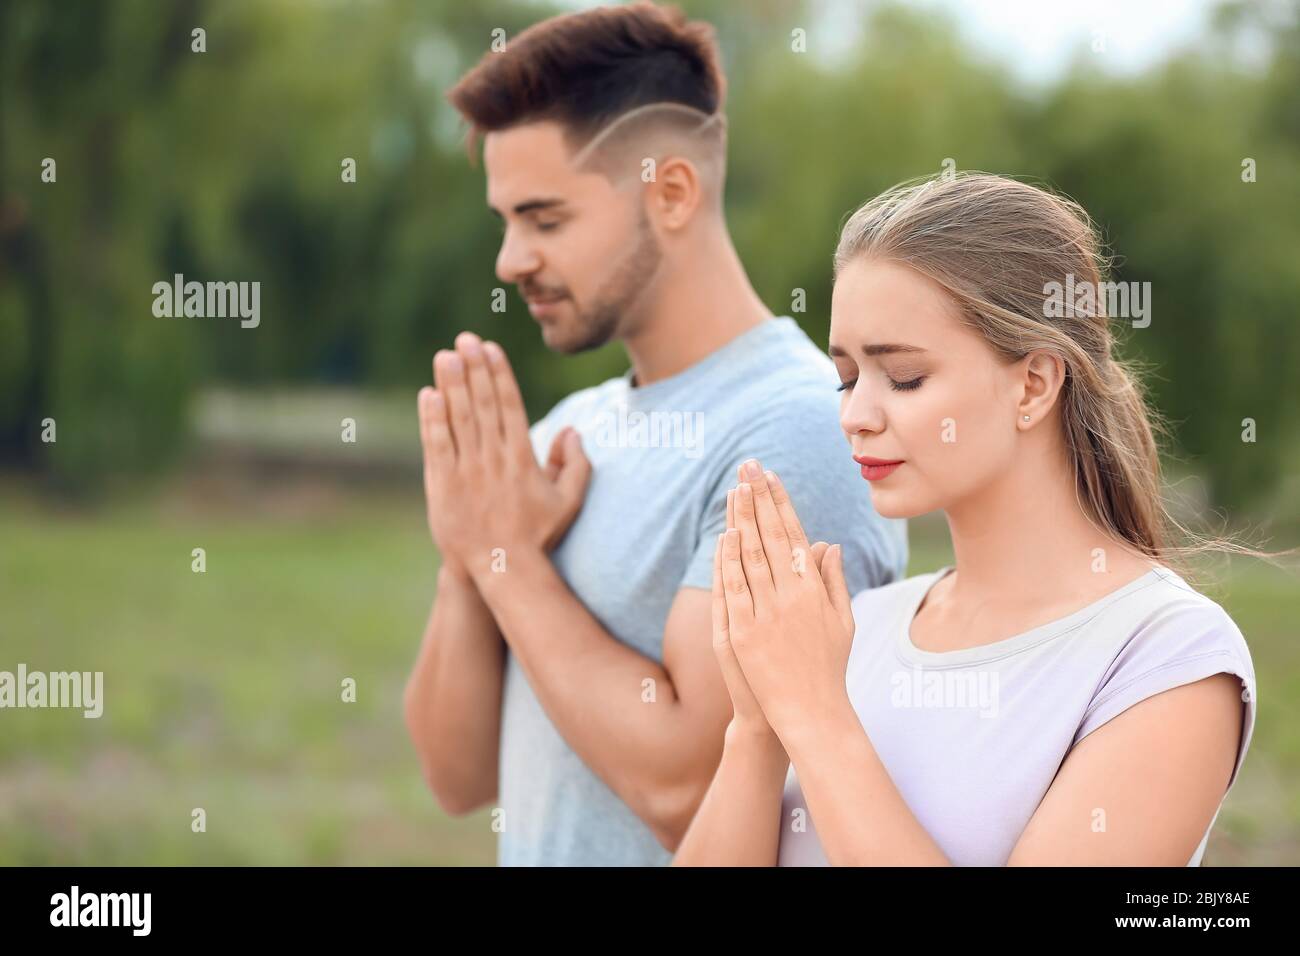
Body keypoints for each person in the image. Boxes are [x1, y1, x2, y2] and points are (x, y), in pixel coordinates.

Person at [402, 1, 907, 866]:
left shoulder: (801, 429)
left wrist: (511, 563)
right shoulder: (571, 432)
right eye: (505, 221)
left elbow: (693, 792)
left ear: (671, 192)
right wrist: (466, 557)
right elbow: (456, 777)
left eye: (545, 218)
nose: (509, 259)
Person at [674, 172, 1258, 866]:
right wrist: (758, 723)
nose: (855, 415)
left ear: (1034, 384)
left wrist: (816, 716)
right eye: (847, 377)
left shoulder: (1166, 656)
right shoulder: (860, 626)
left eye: (905, 378)